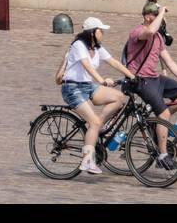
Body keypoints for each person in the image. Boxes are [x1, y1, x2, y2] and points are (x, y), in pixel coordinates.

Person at [124, 0, 177, 168]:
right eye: (157, 16)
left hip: (155, 78)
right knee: (164, 114)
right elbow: (149, 31)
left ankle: (157, 122)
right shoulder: (138, 31)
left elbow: (169, 62)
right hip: (140, 80)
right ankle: (162, 155)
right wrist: (162, 11)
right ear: (148, 17)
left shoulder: (158, 38)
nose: (162, 20)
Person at [57, 17, 134, 175]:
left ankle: (97, 128)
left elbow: (113, 61)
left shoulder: (97, 47)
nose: (103, 33)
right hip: (72, 87)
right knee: (94, 121)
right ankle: (87, 161)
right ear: (92, 32)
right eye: (101, 31)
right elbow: (86, 65)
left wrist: (132, 76)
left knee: (119, 97)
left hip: (88, 86)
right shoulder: (78, 45)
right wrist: (101, 80)